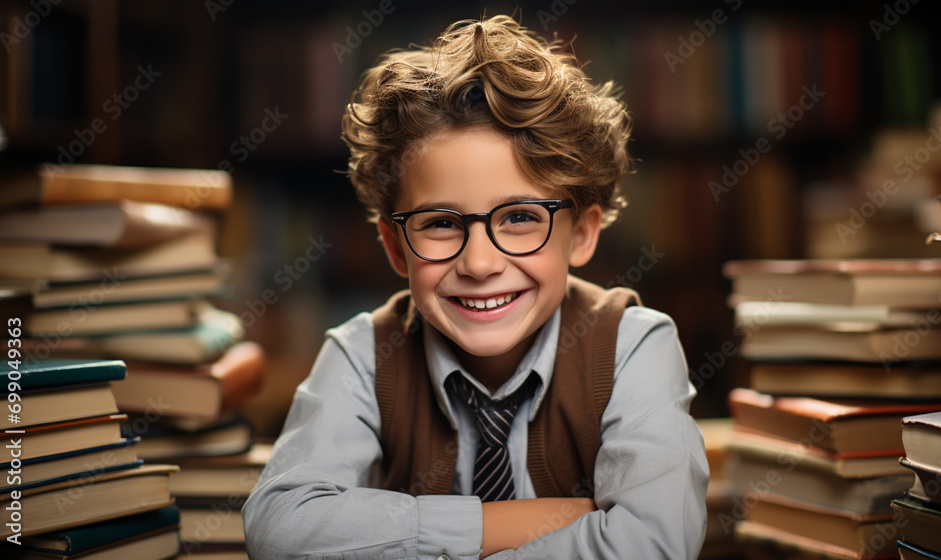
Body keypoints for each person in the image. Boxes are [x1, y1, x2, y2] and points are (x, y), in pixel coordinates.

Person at [242, 14, 708, 559]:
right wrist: (506, 525)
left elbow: (653, 545)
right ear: (396, 248)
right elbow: (277, 531)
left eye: (519, 218)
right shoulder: (363, 355)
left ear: (581, 235)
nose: (480, 263)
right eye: (441, 223)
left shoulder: (633, 346)